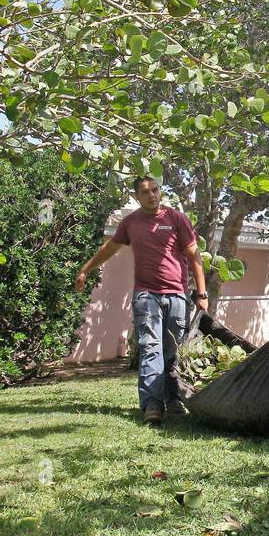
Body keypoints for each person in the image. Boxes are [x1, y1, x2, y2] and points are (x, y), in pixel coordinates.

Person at [75, 177, 207, 424]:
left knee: (173, 352)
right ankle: (151, 405)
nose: (152, 195)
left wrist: (201, 293)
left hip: (177, 295)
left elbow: (194, 255)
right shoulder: (131, 223)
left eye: (155, 190)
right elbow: (109, 248)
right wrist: (85, 269)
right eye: (145, 192)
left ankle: (174, 398)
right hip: (146, 295)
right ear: (137, 196)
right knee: (150, 348)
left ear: (160, 191)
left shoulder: (177, 219)